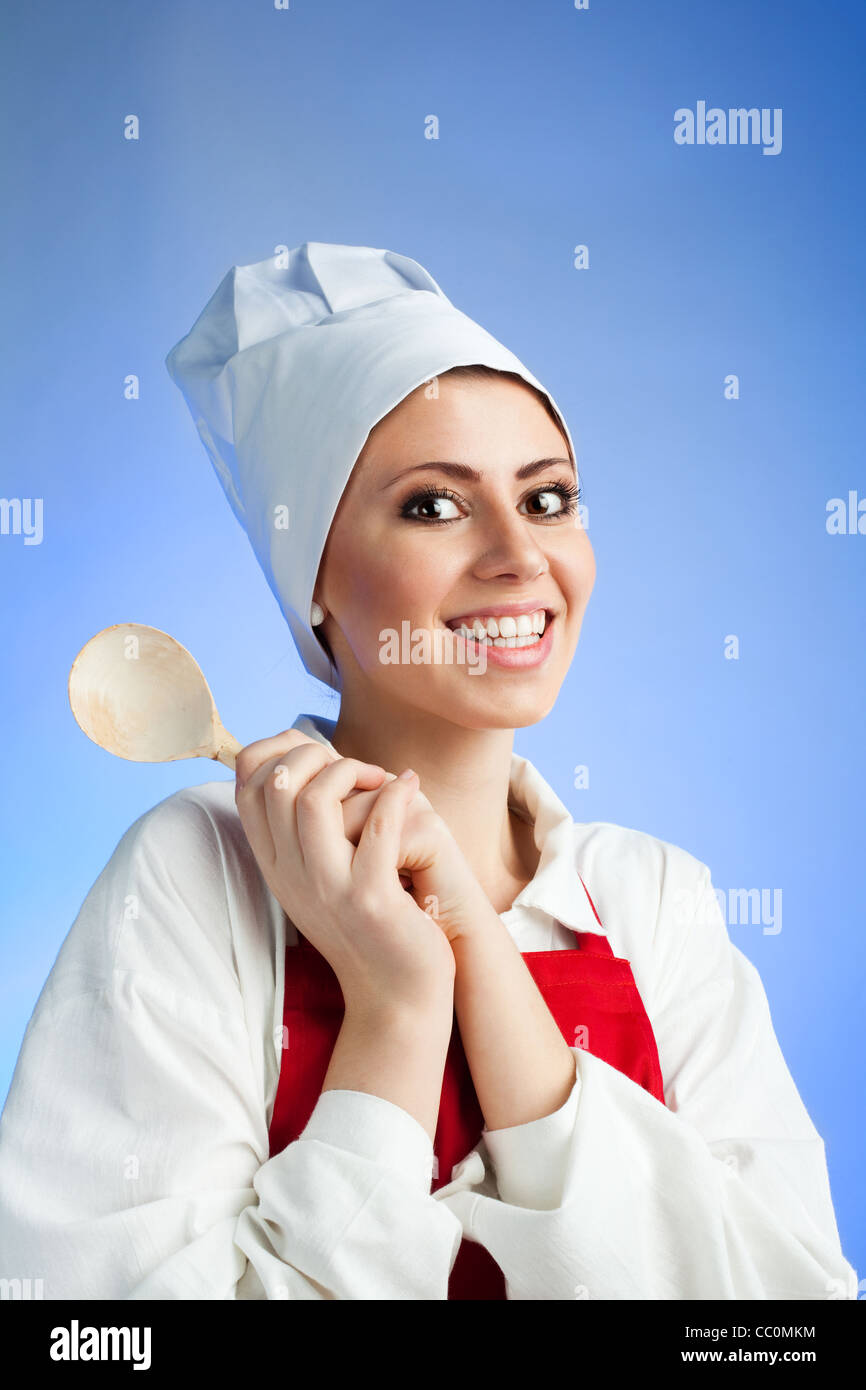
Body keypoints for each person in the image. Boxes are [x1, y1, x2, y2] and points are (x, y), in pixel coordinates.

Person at [0, 244, 858, 1300]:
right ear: (311, 577)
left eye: (546, 499)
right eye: (432, 506)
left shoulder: (652, 900)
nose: (517, 554)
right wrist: (397, 1009)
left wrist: (473, 953)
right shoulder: (196, 873)